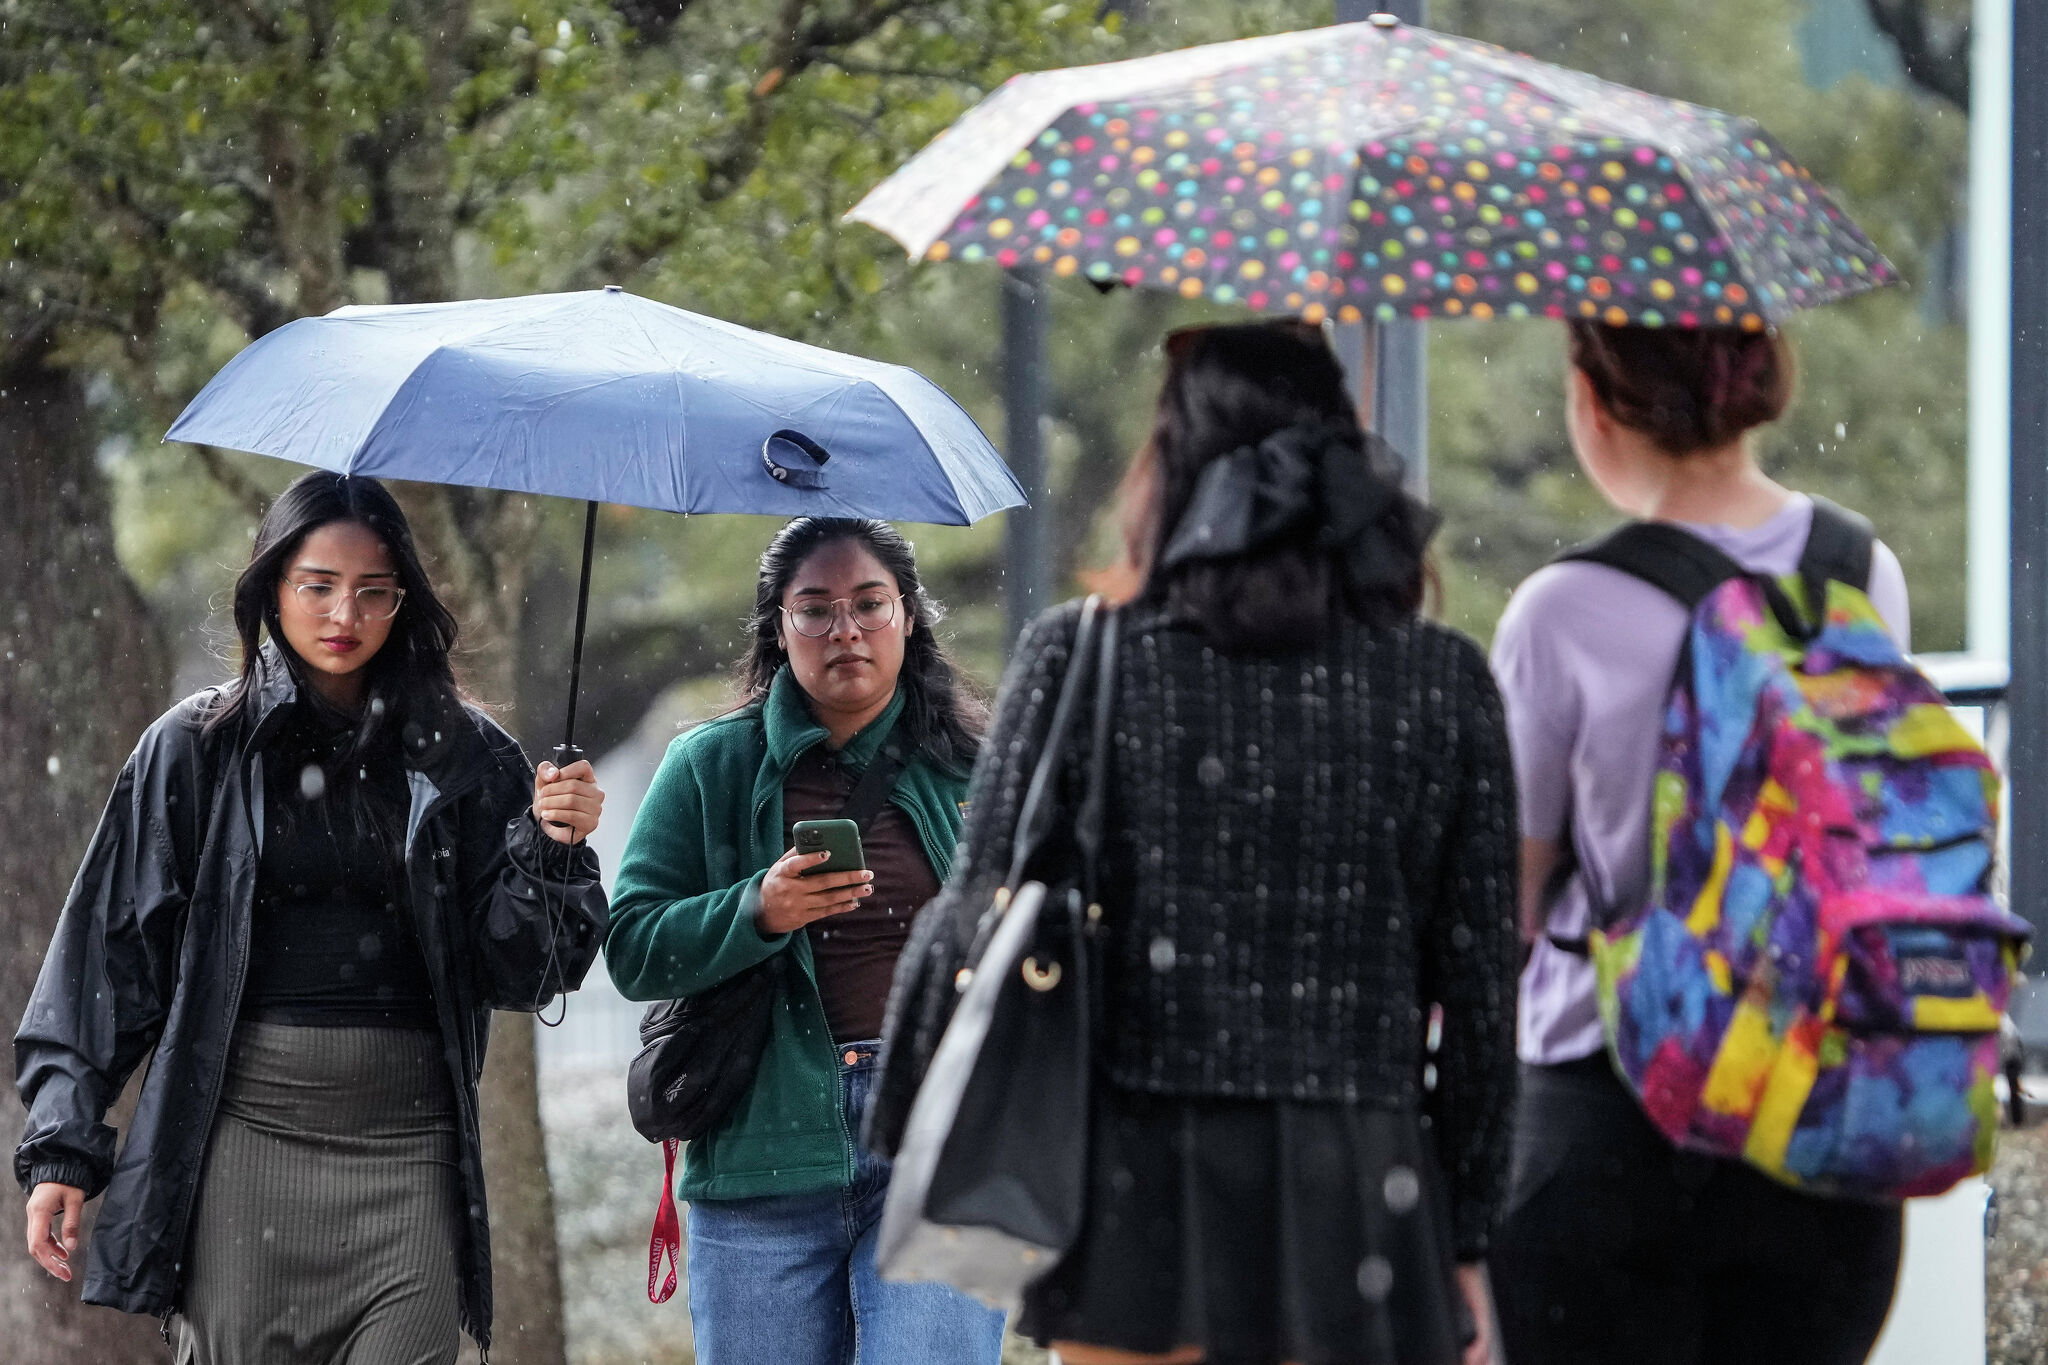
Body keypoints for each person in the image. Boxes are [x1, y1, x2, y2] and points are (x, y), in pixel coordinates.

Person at [871, 320, 1519, 1365]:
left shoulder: (1081, 658)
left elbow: (969, 922)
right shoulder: (1442, 683)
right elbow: (1485, 997)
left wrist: (907, 1128)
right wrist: (1469, 1225)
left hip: (1130, 1189)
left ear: (1166, 470)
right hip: (1362, 1193)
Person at [14, 471, 609, 1364]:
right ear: (272, 588)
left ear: (404, 601)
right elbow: (108, 957)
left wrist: (553, 850)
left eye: (375, 591)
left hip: (411, 1150)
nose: (346, 613)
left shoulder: (467, 755)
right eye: (318, 584)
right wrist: (62, 1146)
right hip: (247, 1143)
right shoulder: (195, 747)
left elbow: (526, 971)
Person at [1487, 321, 1910, 1365]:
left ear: (1593, 401)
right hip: (1821, 1110)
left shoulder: (1561, 610)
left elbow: (1512, 894)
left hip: (1609, 1116)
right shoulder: (1862, 571)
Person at [605, 517, 1006, 1365]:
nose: (846, 630)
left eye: (870, 604)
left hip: (943, 1141)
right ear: (778, 627)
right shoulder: (708, 766)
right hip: (763, 1150)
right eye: (814, 609)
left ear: (909, 616)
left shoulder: (980, 766)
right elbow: (634, 946)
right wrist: (757, 910)